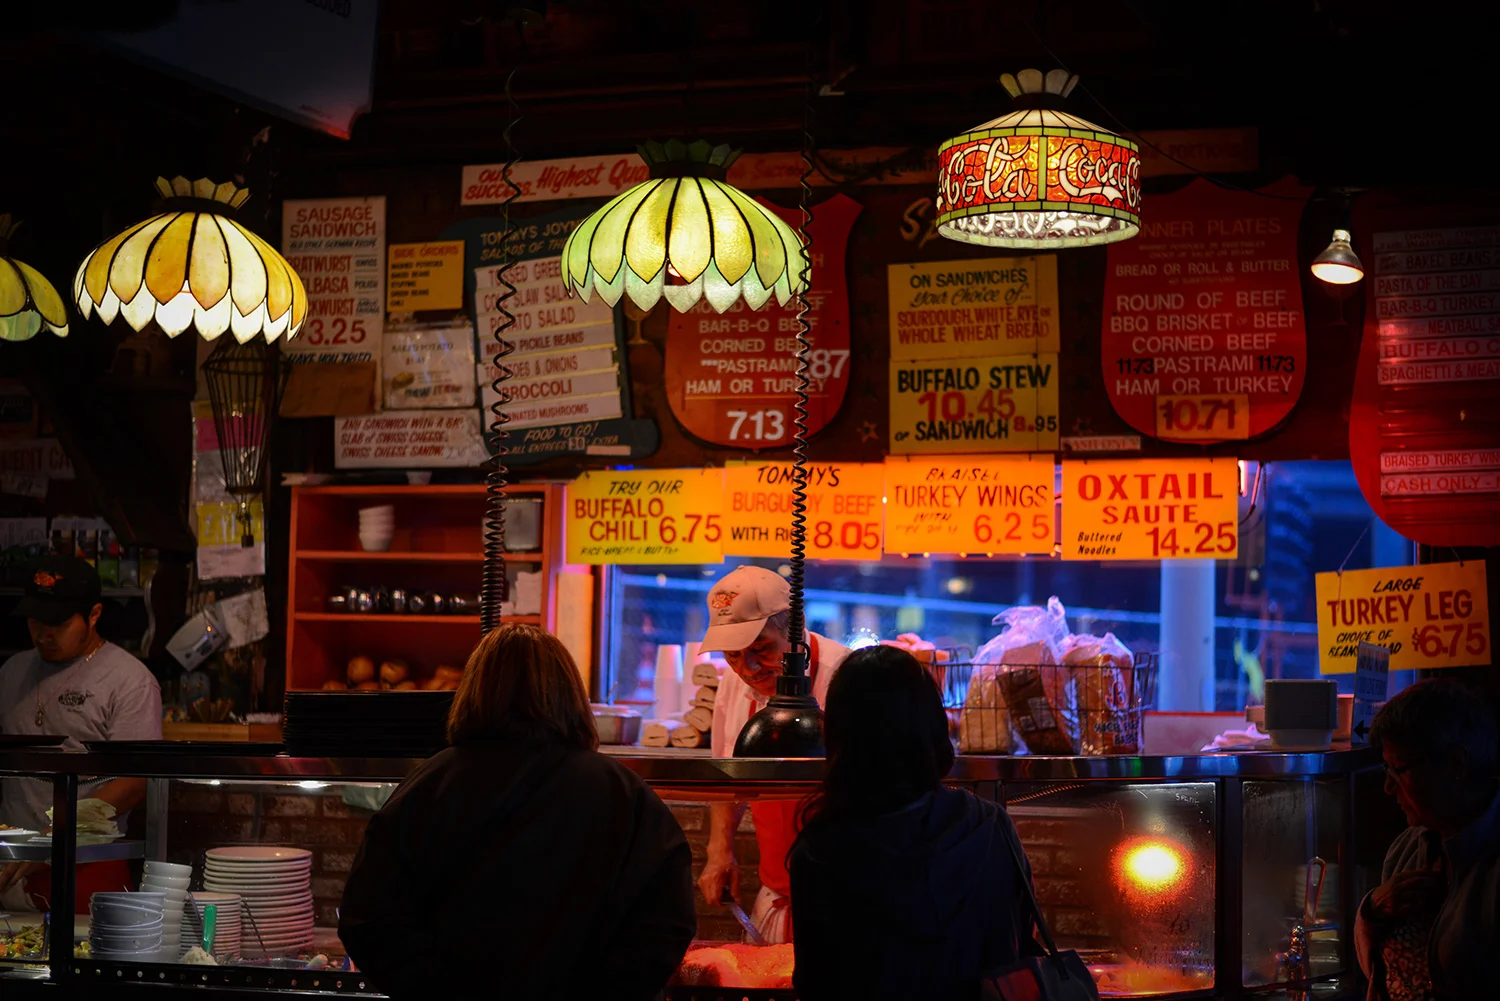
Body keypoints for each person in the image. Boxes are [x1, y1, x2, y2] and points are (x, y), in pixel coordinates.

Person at [339, 624, 696, 1001]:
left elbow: (368, 921)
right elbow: (666, 922)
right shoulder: (623, 792)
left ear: (474, 691)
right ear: (569, 693)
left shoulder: (427, 786)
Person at [788, 644, 1036, 1000]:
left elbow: (816, 981)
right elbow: (1017, 942)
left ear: (841, 736)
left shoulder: (821, 849)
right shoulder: (989, 825)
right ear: (932, 726)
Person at [696, 565, 850, 944]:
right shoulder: (734, 684)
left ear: (794, 627)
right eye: (733, 655)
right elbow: (726, 777)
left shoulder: (846, 676)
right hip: (775, 893)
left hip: (848, 896)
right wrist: (720, 850)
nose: (747, 669)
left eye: (760, 649)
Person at [0, 555, 162, 912]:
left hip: (86, 868)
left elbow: (133, 781)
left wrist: (52, 839)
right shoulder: (12, 672)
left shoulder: (129, 681)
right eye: (35, 620)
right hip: (9, 867)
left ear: (94, 615)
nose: (43, 633)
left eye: (57, 622)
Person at [1356, 680, 1500, 1001]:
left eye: (1400, 769)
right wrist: (1372, 910)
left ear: (1455, 764)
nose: (1388, 788)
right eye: (1386, 769)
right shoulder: (1408, 846)